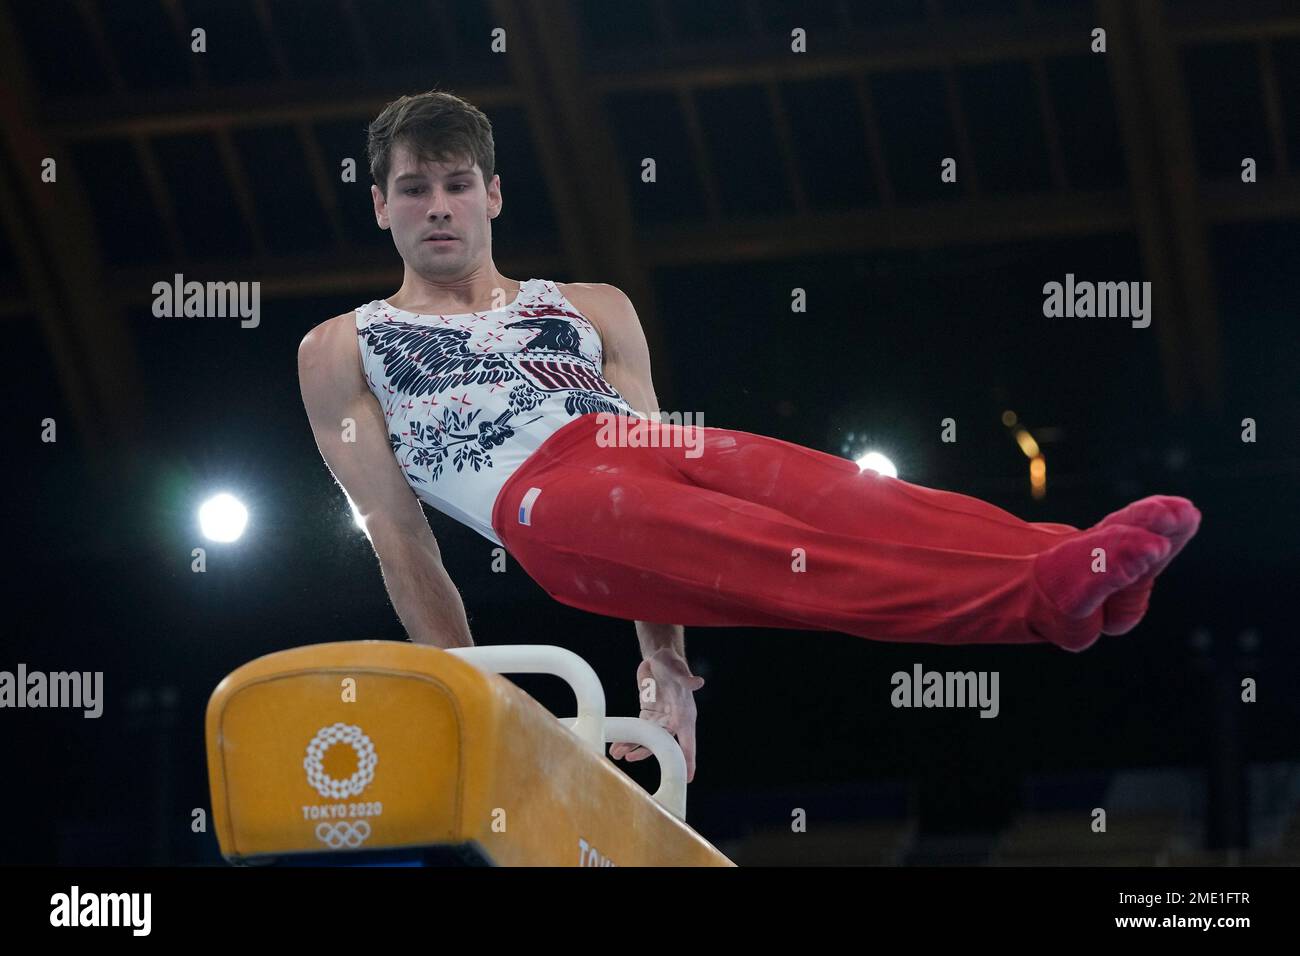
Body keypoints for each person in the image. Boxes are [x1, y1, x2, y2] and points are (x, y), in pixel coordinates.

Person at [296, 91, 1200, 784]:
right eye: (415, 190)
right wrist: (473, 698)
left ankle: (1068, 564)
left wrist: (664, 662)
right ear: (380, 205)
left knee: (847, 494)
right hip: (541, 500)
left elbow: (653, 489)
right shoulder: (343, 346)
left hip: (635, 453)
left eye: (457, 185)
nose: (439, 207)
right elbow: (399, 535)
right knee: (787, 553)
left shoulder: (592, 307)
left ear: (492, 194)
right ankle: (1036, 603)